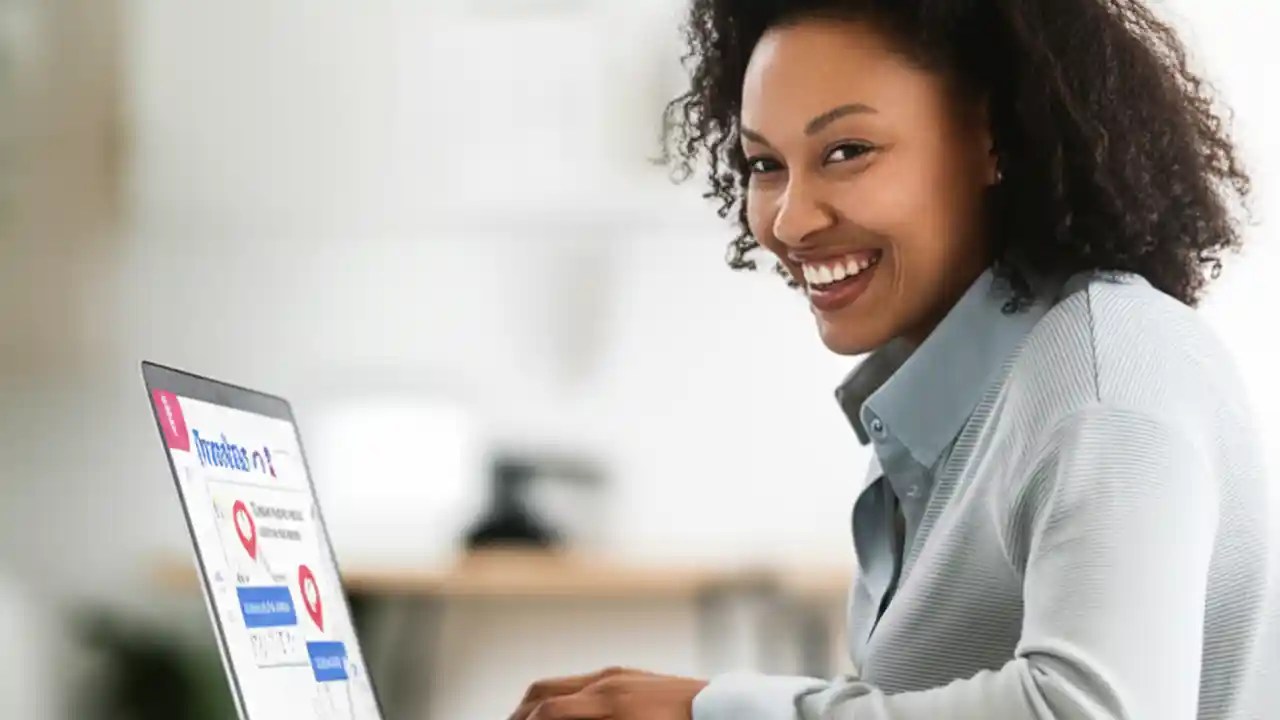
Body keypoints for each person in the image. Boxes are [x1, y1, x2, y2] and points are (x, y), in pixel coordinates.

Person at [508, 0, 1278, 717]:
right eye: (764, 164)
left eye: (847, 151)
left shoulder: (1105, 369)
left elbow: (1093, 710)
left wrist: (717, 709)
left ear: (993, 139)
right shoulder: (949, 408)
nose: (791, 219)